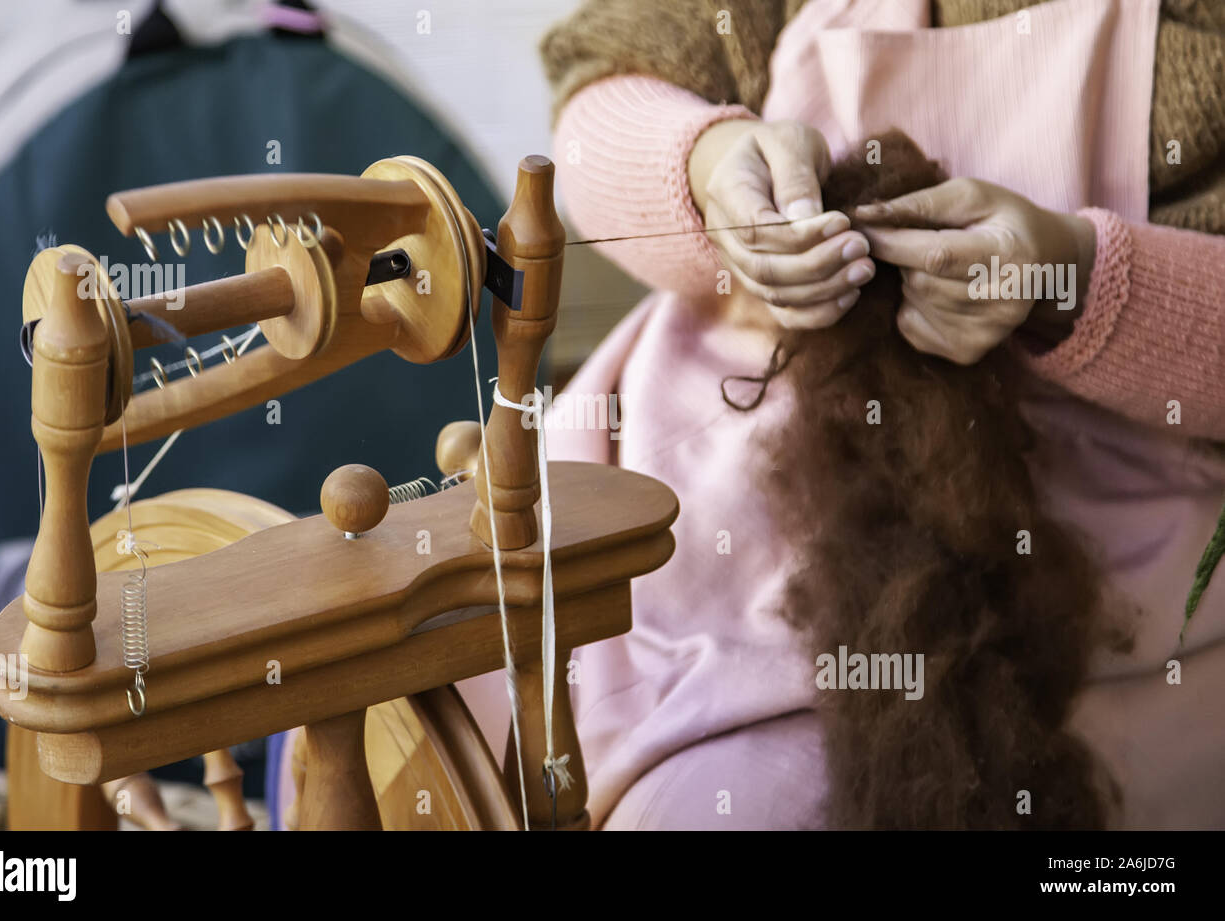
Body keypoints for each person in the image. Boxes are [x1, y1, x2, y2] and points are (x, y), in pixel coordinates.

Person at [456, 0, 1225, 829]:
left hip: (1076, 568)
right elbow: (600, 98)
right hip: (706, 470)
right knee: (453, 681)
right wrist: (709, 171)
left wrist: (1073, 279)